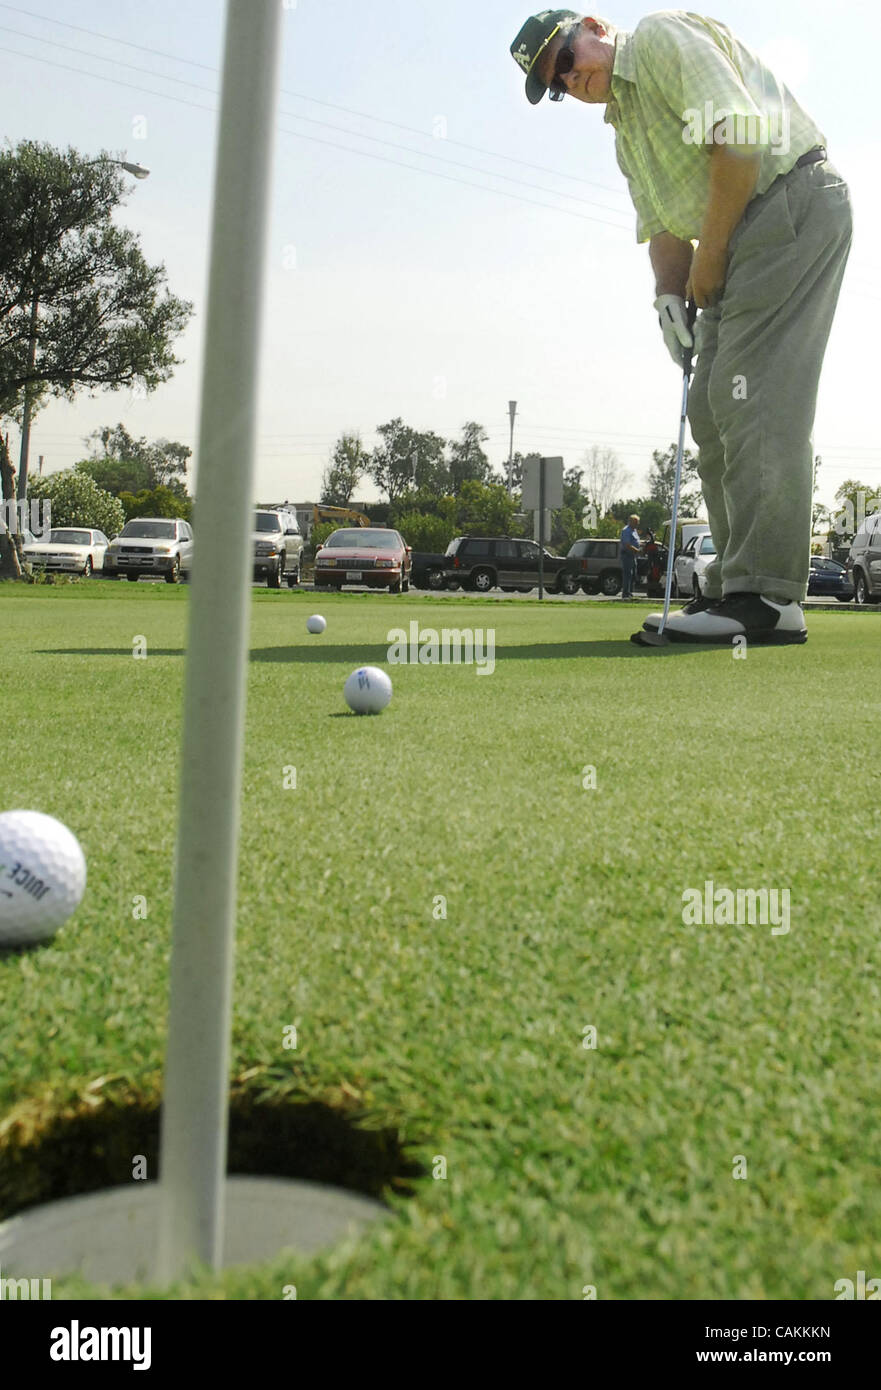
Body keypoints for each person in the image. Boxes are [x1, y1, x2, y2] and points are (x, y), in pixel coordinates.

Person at [510, 11, 852, 645]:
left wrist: (713, 254)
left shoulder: (661, 40)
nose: (567, 80)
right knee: (708, 407)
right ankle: (734, 585)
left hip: (789, 203)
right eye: (554, 84)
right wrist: (669, 301)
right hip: (740, 232)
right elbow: (666, 228)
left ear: (592, 27)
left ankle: (769, 599)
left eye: (563, 58)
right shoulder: (625, 132)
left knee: (752, 396)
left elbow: (742, 138)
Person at [619, 513, 641, 598]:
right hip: (627, 555)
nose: (637, 524)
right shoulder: (626, 530)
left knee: (633, 574)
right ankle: (626, 594)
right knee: (628, 574)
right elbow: (627, 544)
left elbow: (636, 541)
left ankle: (630, 592)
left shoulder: (634, 530)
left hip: (633, 556)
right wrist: (637, 550)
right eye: (636, 523)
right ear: (631, 522)